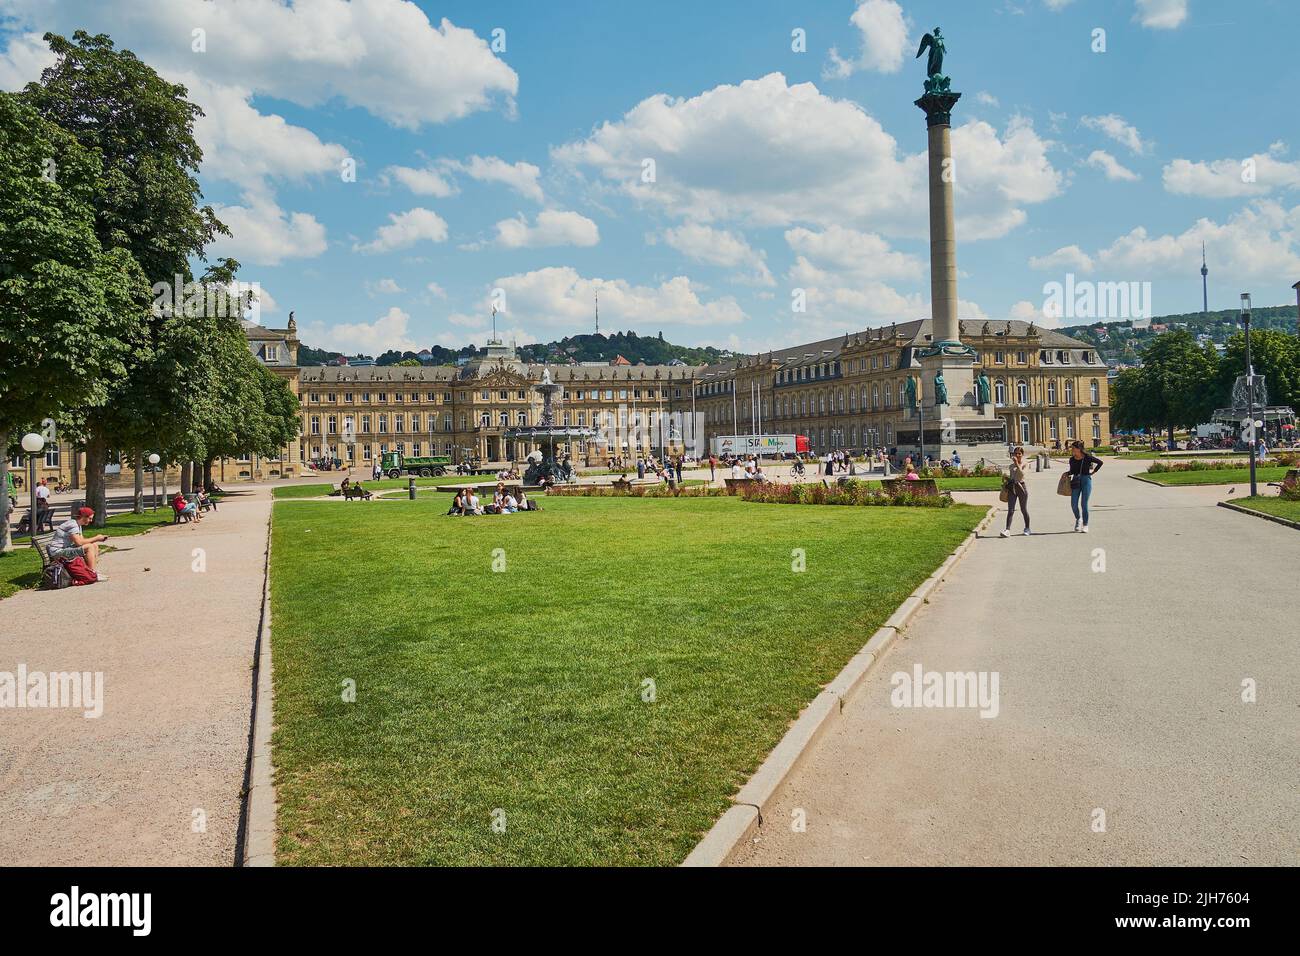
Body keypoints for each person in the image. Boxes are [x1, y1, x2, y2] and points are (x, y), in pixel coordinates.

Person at [50, 507, 109, 580]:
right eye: (90, 518)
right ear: (83, 517)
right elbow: (79, 543)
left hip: (65, 549)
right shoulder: (73, 525)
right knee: (89, 547)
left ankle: (92, 572)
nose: (91, 520)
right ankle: (92, 575)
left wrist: (97, 540)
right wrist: (96, 538)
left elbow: (82, 541)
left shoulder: (78, 525)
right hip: (58, 552)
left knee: (94, 545)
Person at [1067, 440, 1103, 532]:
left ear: (1079, 449)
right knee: (1073, 504)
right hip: (1076, 481)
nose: (1072, 450)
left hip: (1086, 480)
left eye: (1074, 448)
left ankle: (1085, 525)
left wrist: (1093, 472)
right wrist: (1066, 473)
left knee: (1084, 504)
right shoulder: (1072, 459)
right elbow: (1072, 471)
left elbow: (1100, 462)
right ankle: (1079, 519)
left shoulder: (1087, 457)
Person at [999, 447, 1031, 537]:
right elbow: (1013, 478)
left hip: (1021, 488)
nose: (1017, 455)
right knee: (1010, 510)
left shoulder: (1025, 464)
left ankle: (1027, 528)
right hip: (1012, 488)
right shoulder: (1011, 466)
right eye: (1015, 454)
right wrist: (1006, 478)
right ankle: (1007, 530)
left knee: (1023, 509)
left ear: (1022, 454)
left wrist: (1017, 464)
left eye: (1019, 454)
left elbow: (1022, 475)